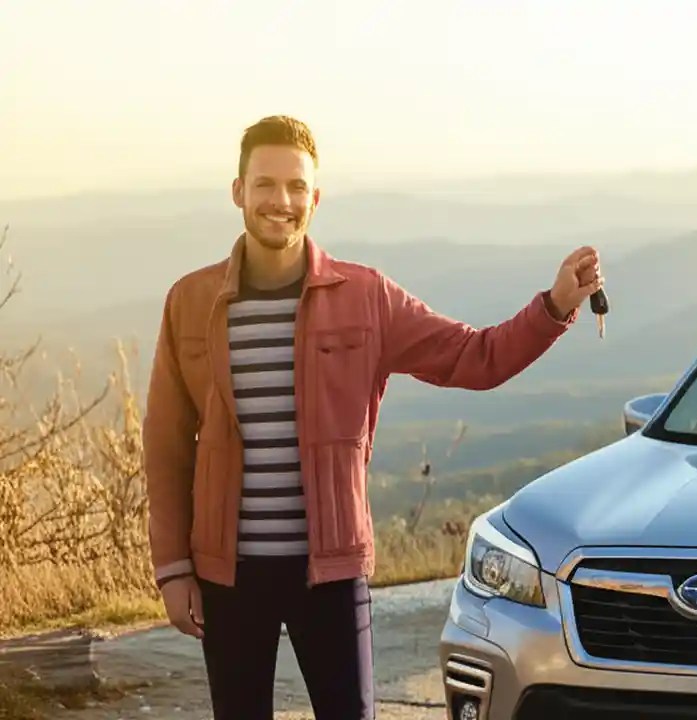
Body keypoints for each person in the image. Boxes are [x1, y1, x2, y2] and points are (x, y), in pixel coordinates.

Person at [141, 115, 604, 719]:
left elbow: (477, 357)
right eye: (264, 185)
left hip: (329, 573)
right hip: (228, 577)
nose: (279, 201)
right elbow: (167, 446)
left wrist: (555, 306)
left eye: (295, 186)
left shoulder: (366, 298)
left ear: (315, 197)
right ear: (238, 192)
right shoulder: (191, 302)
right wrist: (173, 569)